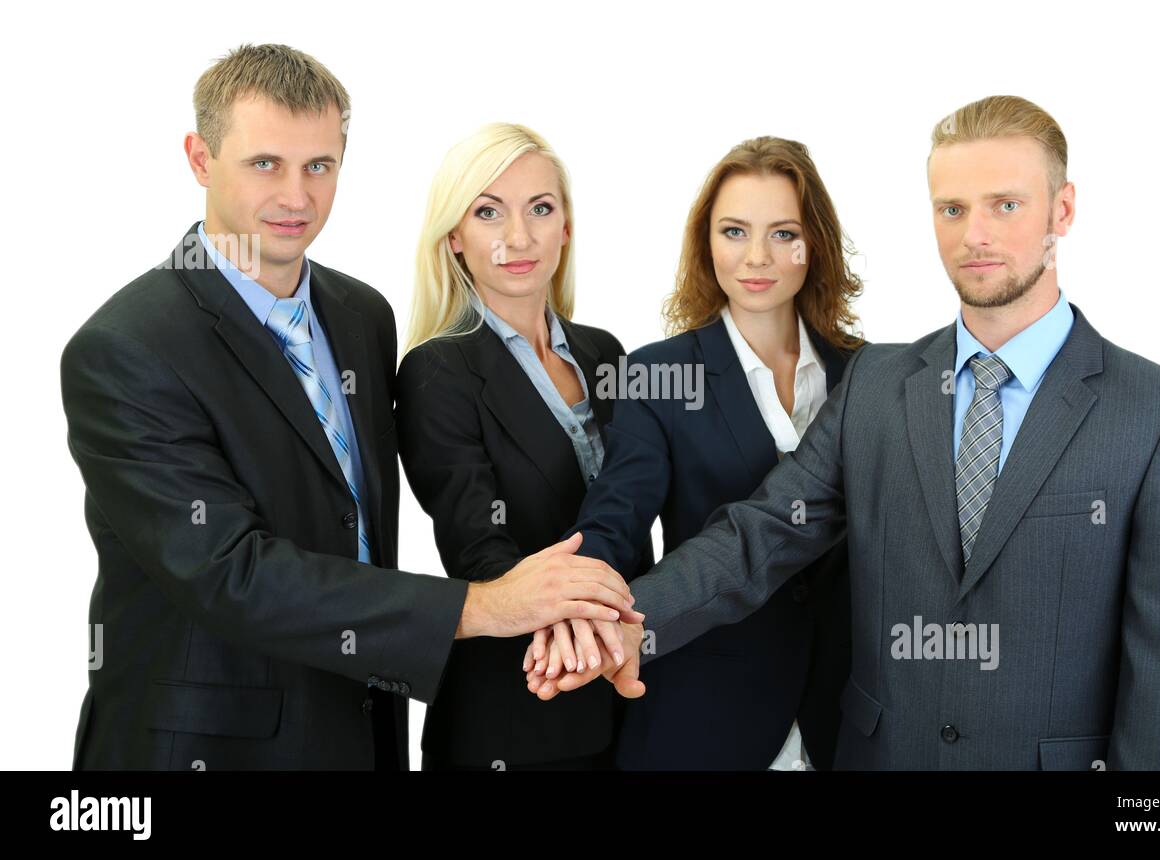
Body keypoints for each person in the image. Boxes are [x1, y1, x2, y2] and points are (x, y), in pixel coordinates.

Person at [530, 95, 1160, 771]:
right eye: (952, 208)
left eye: (1006, 205)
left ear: (1064, 208)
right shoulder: (875, 385)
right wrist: (630, 622)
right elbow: (760, 533)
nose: (976, 235)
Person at [60, 45, 638, 771]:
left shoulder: (361, 315)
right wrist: (485, 606)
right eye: (265, 163)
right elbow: (232, 573)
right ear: (200, 159)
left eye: (319, 166)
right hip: (208, 745)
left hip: (362, 727)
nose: (296, 197)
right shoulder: (125, 348)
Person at [526, 137, 861, 770]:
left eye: (782, 232)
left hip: (842, 714)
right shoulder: (656, 375)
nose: (756, 256)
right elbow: (616, 516)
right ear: (706, 242)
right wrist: (574, 610)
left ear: (813, 242)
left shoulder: (867, 376)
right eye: (734, 231)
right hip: (704, 711)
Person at [396, 123, 654, 770]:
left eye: (540, 208)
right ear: (454, 236)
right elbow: (478, 546)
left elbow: (631, 511)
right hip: (515, 705)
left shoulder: (606, 354)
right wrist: (568, 627)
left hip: (629, 691)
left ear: (566, 225)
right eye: (488, 212)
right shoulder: (436, 371)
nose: (519, 238)